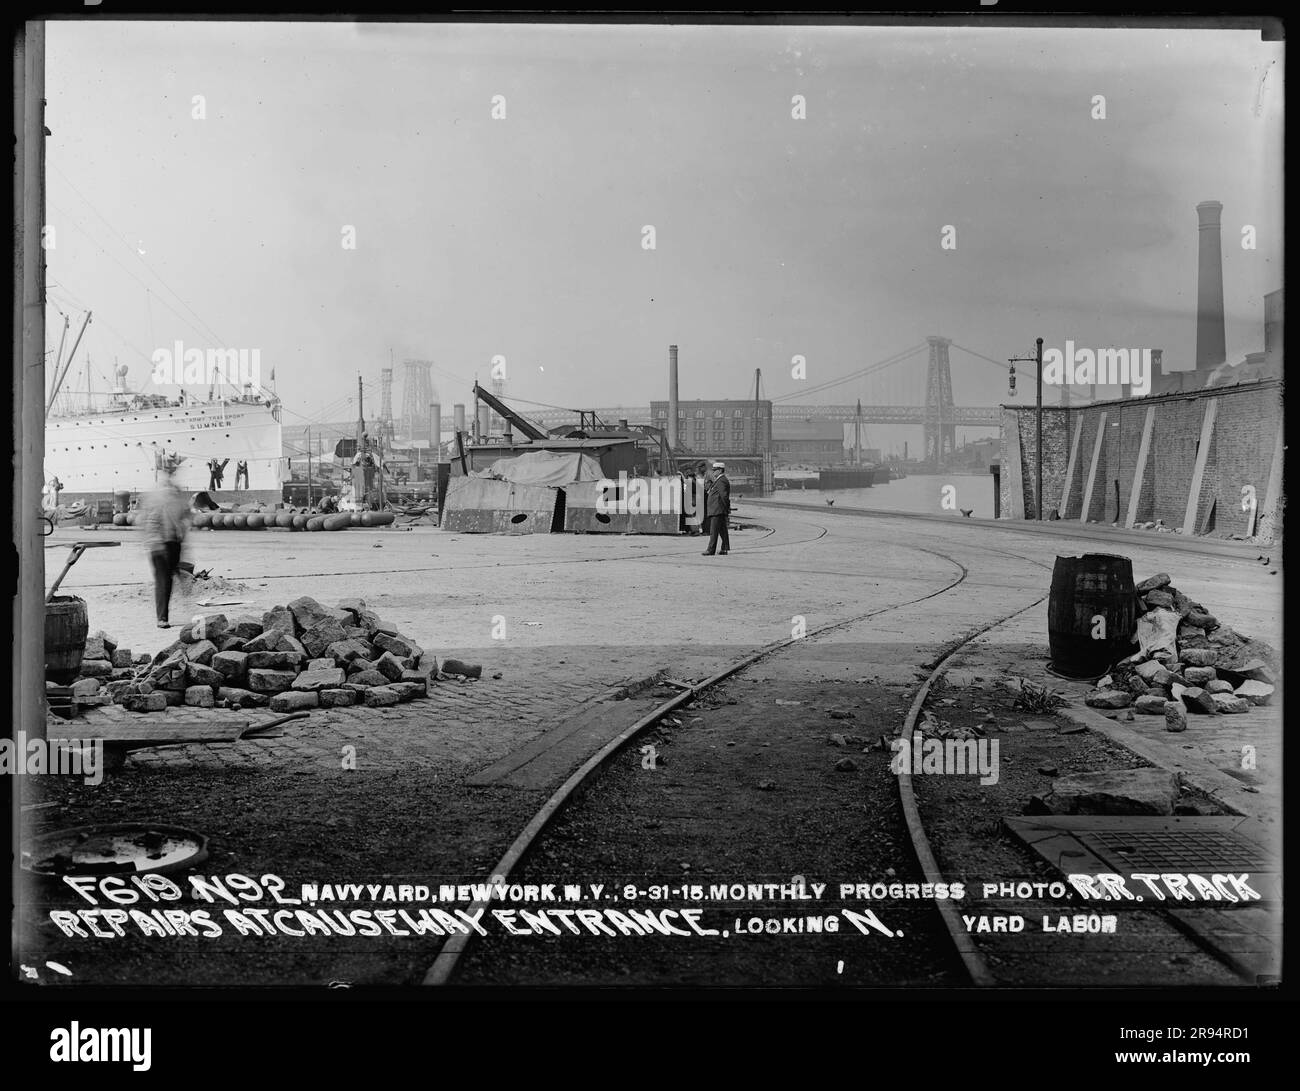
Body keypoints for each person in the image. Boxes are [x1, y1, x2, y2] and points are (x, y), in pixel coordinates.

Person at [141, 460, 193, 628]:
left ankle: (164, 616)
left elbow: (184, 518)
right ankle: (162, 618)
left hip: (172, 543)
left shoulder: (174, 496)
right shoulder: (159, 498)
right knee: (163, 580)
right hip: (160, 544)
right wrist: (156, 542)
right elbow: (151, 521)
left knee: (167, 580)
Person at [702, 460, 731, 556]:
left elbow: (724, 496)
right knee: (722, 530)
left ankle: (711, 550)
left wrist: (726, 508)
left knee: (713, 531)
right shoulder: (719, 480)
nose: (713, 472)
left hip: (717, 509)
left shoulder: (721, 480)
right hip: (718, 509)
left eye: (715, 470)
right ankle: (724, 548)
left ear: (720, 470)